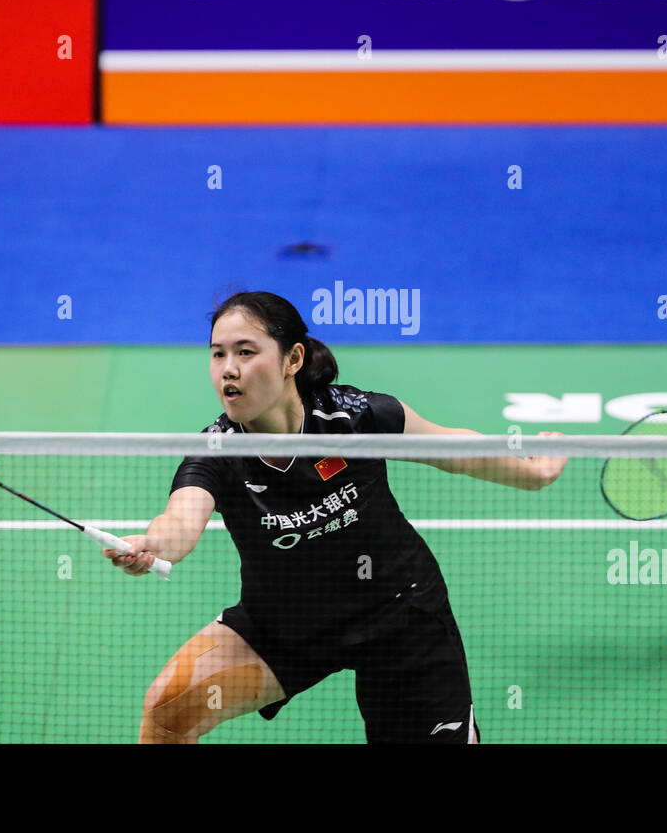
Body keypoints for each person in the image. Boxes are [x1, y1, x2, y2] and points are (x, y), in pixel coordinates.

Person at [107, 291, 566, 741]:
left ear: (292, 359)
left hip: (397, 614)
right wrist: (153, 543)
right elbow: (182, 520)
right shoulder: (216, 452)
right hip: (286, 623)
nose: (228, 369)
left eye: (246, 352)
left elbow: (453, 449)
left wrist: (533, 473)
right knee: (167, 712)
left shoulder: (355, 418)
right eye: (218, 354)